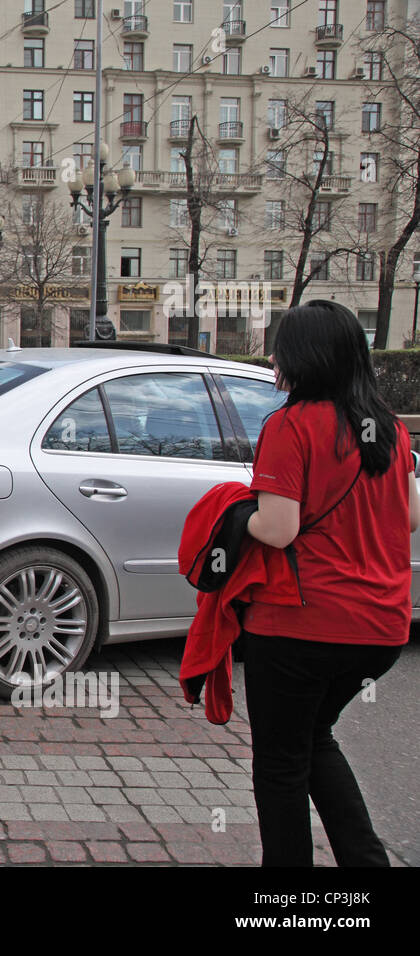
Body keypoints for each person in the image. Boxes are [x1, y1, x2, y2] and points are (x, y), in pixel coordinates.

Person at [241, 300, 417, 867]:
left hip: (301, 626)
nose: (274, 359)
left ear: (304, 357)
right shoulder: (389, 430)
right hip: (382, 628)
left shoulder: (291, 426)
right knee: (314, 740)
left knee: (280, 764)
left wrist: (231, 513)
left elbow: (278, 527)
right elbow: (410, 517)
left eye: (281, 348)